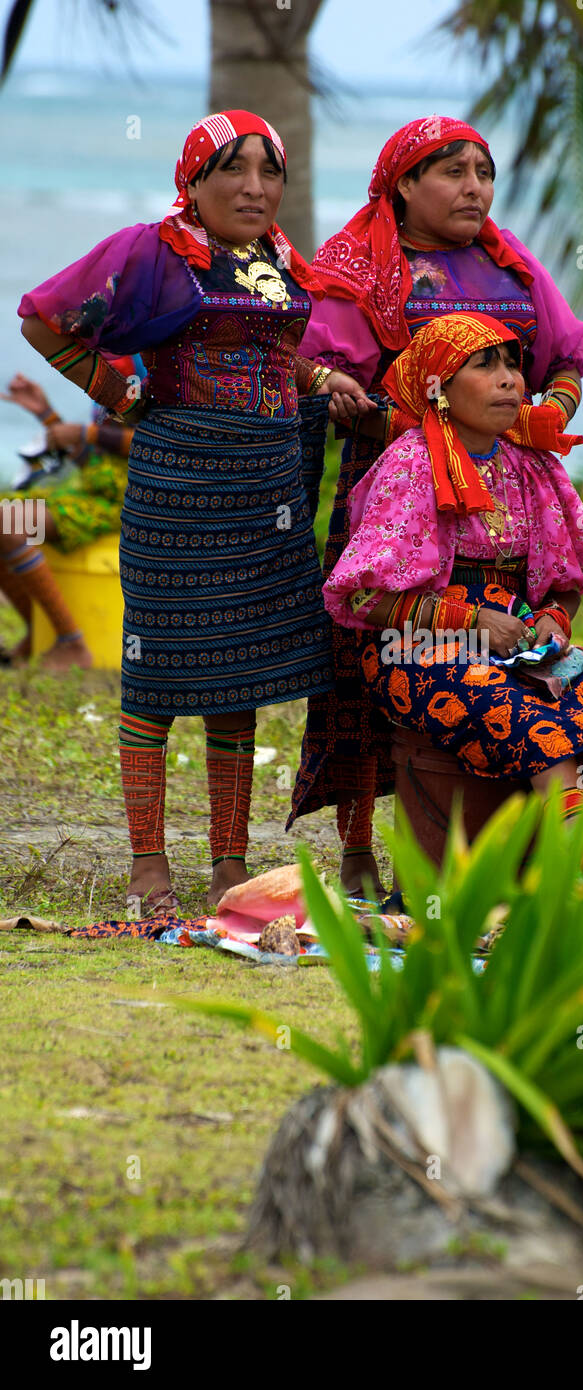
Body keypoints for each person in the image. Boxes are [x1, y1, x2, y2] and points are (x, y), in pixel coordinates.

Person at [18, 110, 372, 916]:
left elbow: (276, 355)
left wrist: (320, 382)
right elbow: (45, 318)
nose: (254, 187)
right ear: (194, 180)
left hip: (267, 494)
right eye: (232, 170)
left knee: (235, 676)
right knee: (155, 675)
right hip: (178, 489)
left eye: (269, 171)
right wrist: (118, 394)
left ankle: (228, 863)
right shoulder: (155, 249)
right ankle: (149, 864)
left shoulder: (281, 259)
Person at [291, 114, 583, 899]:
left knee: (511, 653)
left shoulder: (509, 264)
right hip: (399, 482)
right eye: (452, 174)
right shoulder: (364, 265)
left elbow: (562, 361)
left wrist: (548, 410)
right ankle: (359, 848)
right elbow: (315, 368)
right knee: (363, 664)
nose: (474, 189)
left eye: (483, 174)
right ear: (403, 185)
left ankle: (500, 846)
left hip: (508, 475)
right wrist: (378, 410)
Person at [323, 313, 583, 907]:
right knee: (540, 729)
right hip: (414, 649)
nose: (511, 379)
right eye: (486, 365)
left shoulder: (529, 464)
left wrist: (554, 626)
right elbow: (362, 596)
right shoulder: (410, 465)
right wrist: (473, 622)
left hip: (515, 642)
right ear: (438, 387)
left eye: (513, 364)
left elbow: (567, 580)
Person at [0, 369, 139, 669]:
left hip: (124, 505)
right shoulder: (116, 375)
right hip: (88, 495)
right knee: (4, 521)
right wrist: (46, 414)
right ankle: (37, 632)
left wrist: (85, 433)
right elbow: (95, 461)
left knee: (7, 521)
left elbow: (159, 441)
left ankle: (71, 642)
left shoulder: (153, 375)